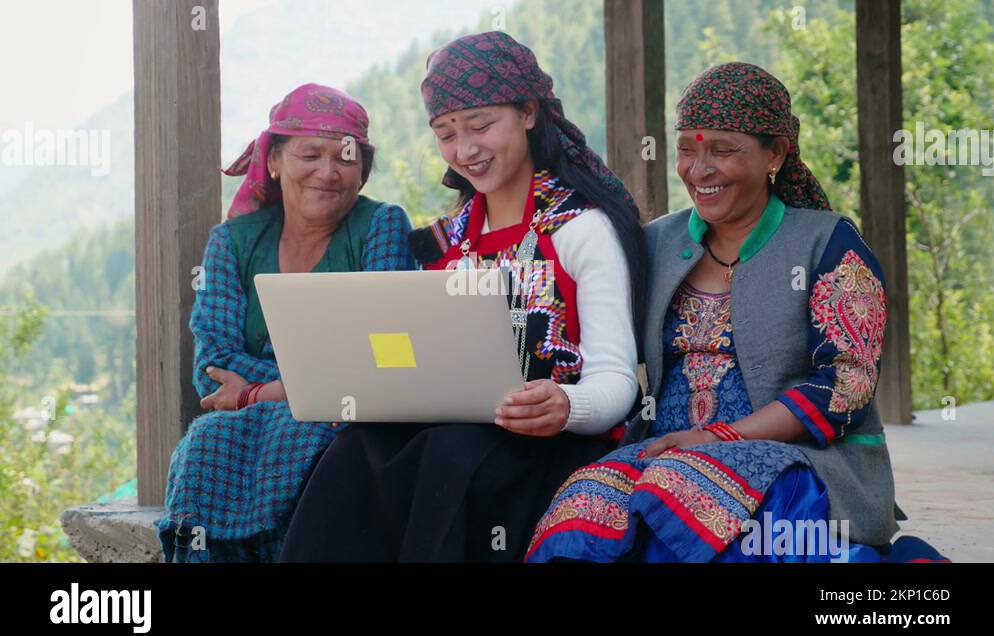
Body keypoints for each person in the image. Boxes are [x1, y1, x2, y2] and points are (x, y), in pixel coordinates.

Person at [526, 62, 947, 563]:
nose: (699, 170)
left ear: (776, 153)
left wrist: (718, 437)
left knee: (679, 499)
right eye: (686, 149)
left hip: (803, 457)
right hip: (667, 448)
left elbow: (846, 384)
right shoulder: (656, 242)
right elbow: (602, 338)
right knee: (586, 505)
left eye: (723, 151)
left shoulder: (828, 242)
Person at [279, 32, 646, 563]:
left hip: (550, 445)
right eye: (446, 133)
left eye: (480, 125)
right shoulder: (445, 239)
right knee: (355, 449)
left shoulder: (581, 229)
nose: (465, 149)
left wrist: (566, 406)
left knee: (451, 455)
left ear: (527, 113)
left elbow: (615, 379)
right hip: (453, 433)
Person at [156, 83, 416, 562]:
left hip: (345, 421)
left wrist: (259, 390)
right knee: (205, 442)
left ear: (362, 172)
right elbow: (212, 367)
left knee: (314, 437)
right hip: (254, 420)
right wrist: (313, 380)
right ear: (273, 162)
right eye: (309, 154)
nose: (328, 171)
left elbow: (382, 355)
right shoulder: (233, 242)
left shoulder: (381, 227)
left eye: (344, 157)